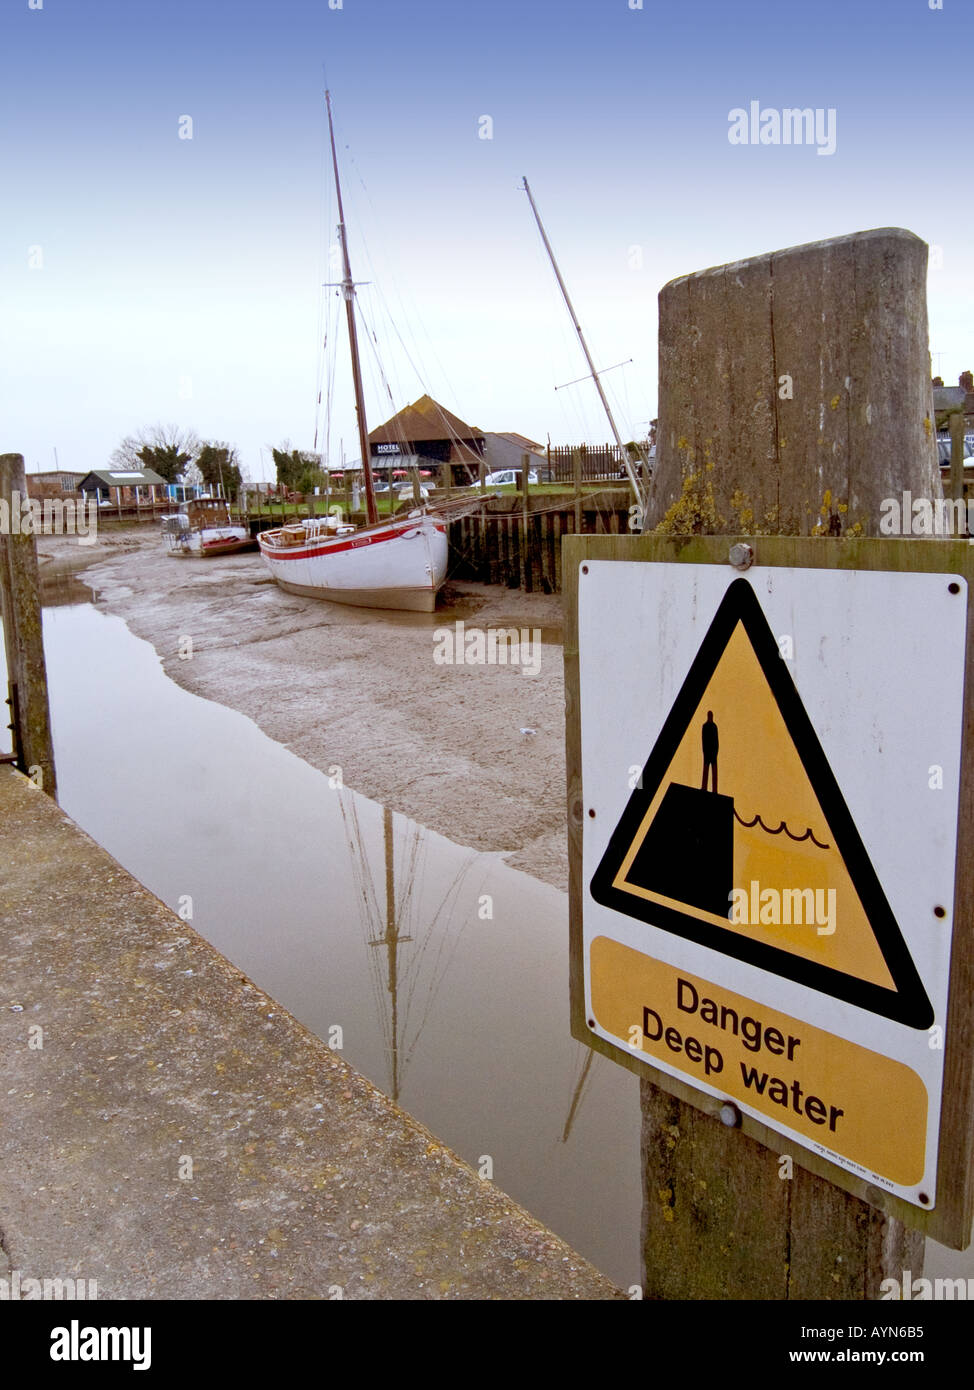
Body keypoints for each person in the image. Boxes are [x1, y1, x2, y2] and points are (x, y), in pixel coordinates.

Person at [701, 710, 718, 793]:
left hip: (713, 752)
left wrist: (716, 751)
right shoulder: (705, 726)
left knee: (714, 771)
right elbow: (703, 739)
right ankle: (704, 787)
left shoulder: (714, 726)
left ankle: (714, 790)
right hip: (707, 751)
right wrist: (704, 750)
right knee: (706, 769)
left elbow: (717, 740)